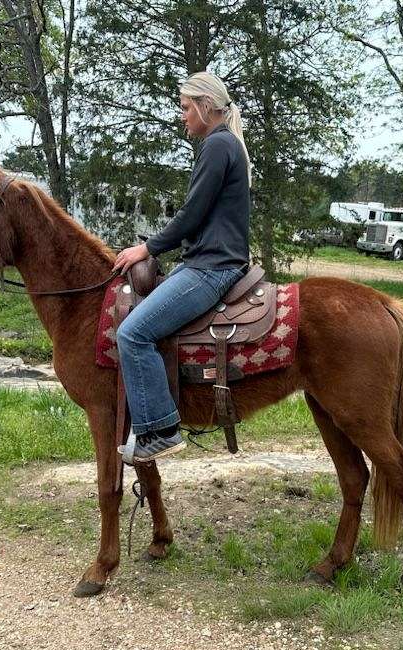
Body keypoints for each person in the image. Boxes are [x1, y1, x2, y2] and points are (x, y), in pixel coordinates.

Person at [112, 71, 252, 464]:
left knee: (133, 332)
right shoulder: (226, 144)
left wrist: (147, 248)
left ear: (206, 107)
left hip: (211, 267)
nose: (183, 116)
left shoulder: (217, 146)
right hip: (212, 261)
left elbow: (191, 216)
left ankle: (160, 429)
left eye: (186, 108)